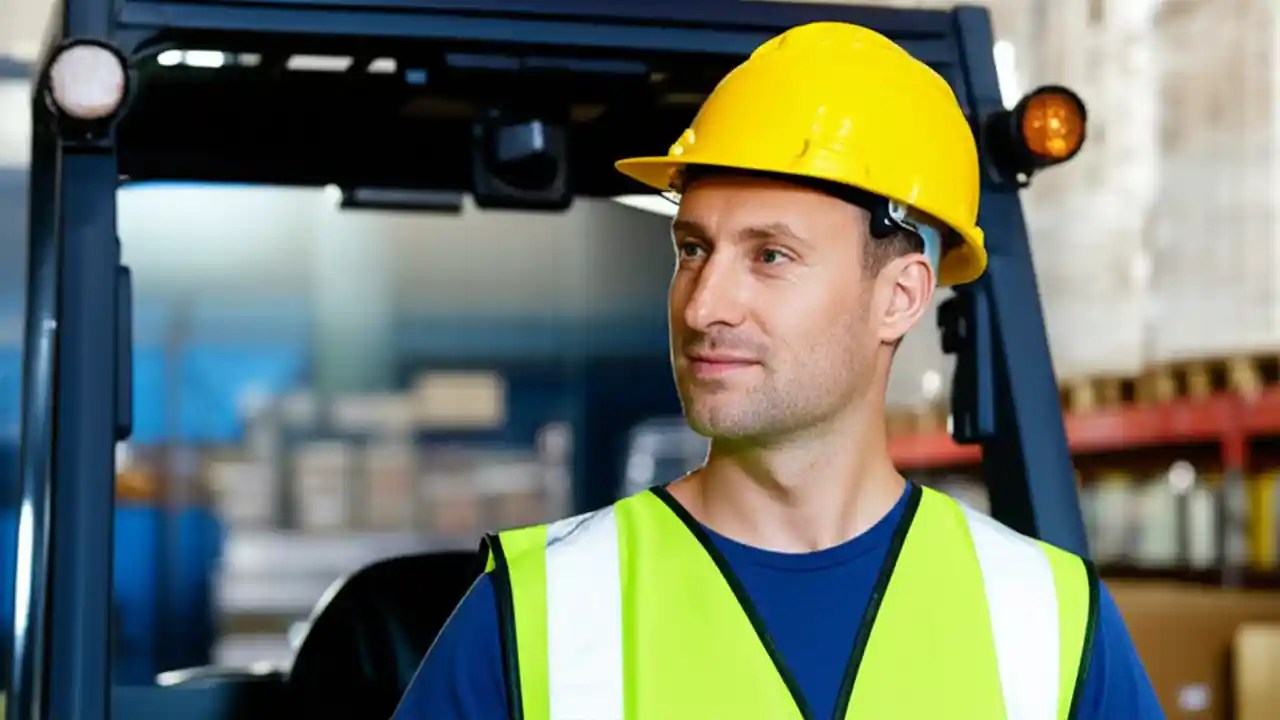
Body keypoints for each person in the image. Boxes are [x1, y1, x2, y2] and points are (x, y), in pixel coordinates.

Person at [394, 21, 1162, 720]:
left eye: (770, 256)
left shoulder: (1049, 627)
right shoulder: (533, 618)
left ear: (899, 297)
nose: (703, 307)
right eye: (692, 250)